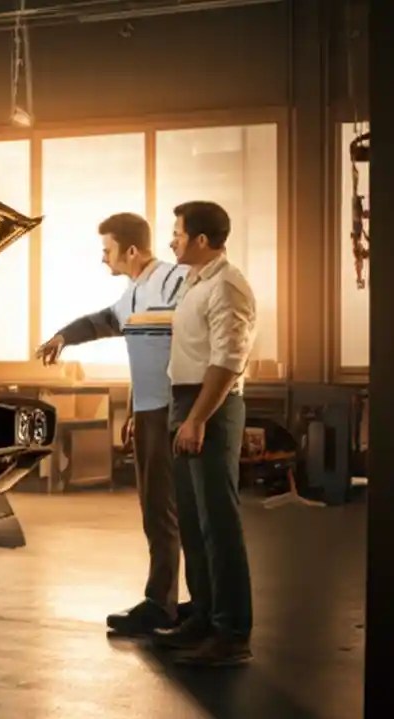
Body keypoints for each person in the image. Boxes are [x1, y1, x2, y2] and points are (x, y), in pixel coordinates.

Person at [35, 212, 189, 635]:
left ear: (131, 250)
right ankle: (165, 602)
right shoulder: (134, 293)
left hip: (176, 411)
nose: (103, 258)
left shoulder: (175, 282)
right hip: (150, 411)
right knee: (155, 509)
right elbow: (103, 322)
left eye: (108, 250)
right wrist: (63, 337)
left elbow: (192, 345)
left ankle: (175, 605)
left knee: (173, 510)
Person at [152, 200, 257, 666]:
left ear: (200, 239)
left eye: (177, 233)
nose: (171, 240)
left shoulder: (228, 286)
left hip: (210, 404)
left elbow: (229, 360)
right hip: (186, 401)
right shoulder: (195, 282)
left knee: (218, 524)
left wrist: (197, 418)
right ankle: (203, 617)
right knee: (194, 522)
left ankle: (232, 633)